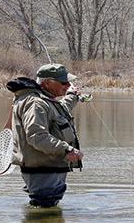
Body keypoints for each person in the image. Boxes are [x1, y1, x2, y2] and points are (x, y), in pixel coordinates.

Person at [7, 64, 85, 208]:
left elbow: (59, 112)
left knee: (45, 207)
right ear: (47, 83)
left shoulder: (45, 101)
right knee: (44, 209)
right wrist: (67, 150)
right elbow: (37, 137)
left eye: (68, 82)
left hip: (47, 169)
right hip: (42, 171)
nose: (68, 85)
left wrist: (72, 96)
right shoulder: (36, 103)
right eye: (63, 82)